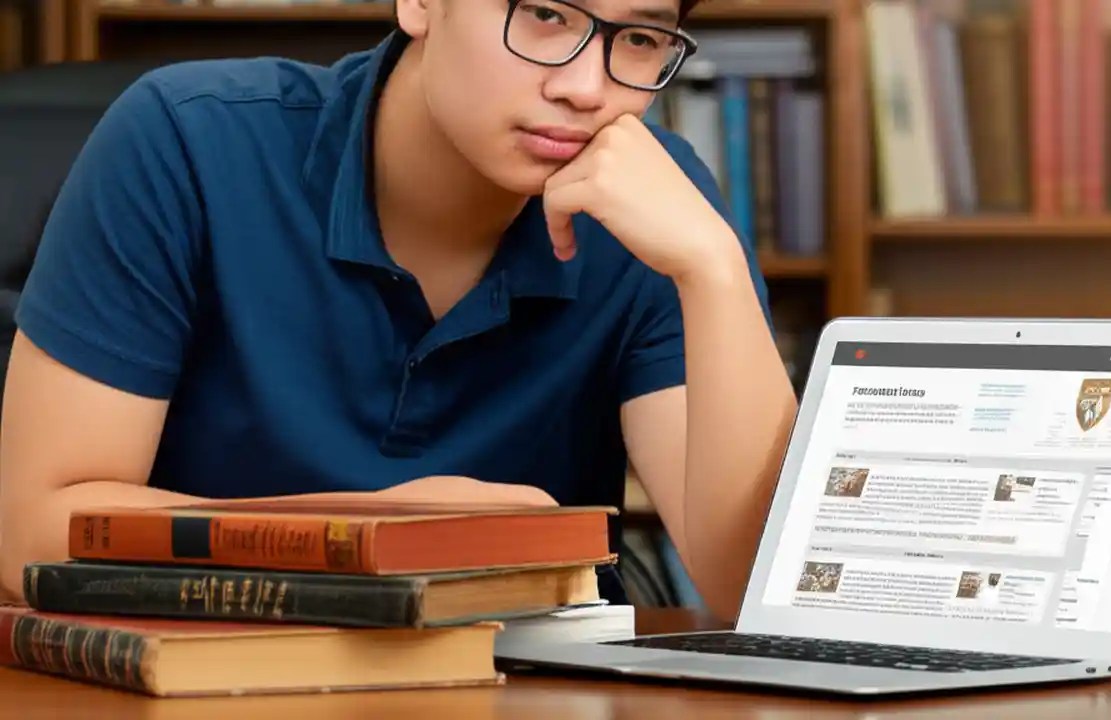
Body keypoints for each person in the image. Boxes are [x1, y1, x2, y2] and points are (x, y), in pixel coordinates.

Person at [0, 0, 797, 621]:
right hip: (208, 682)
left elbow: (753, 589)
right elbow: (32, 527)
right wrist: (386, 533)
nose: (585, 88)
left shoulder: (655, 212)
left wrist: (715, 270)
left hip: (514, 690)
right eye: (544, 16)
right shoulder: (186, 139)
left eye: (641, 39)